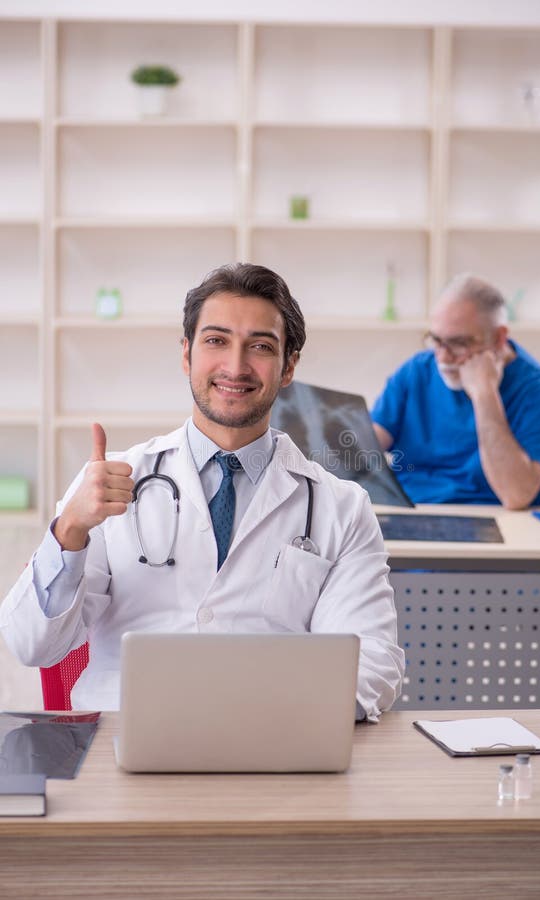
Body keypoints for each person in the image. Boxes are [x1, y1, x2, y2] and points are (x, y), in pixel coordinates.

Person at [1, 263, 404, 720]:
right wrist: (69, 530)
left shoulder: (341, 508)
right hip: (122, 738)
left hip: (272, 742)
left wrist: (260, 717)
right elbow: (31, 644)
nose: (235, 366)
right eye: (216, 341)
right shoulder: (109, 483)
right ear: (187, 354)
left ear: (288, 366)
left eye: (261, 346)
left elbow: (371, 662)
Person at [371, 274, 540, 509]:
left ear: (499, 337)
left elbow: (516, 495)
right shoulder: (416, 370)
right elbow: (365, 449)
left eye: (459, 343)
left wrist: (484, 394)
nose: (443, 357)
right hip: (410, 509)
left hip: (491, 514)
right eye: (436, 340)